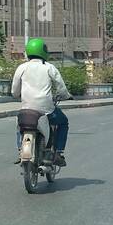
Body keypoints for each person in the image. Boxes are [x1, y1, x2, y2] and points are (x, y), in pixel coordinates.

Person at [11, 37, 72, 166]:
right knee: (63, 123)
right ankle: (58, 152)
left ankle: (20, 149)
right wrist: (66, 96)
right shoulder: (49, 67)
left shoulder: (21, 67)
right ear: (44, 51)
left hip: (27, 109)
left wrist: (18, 95)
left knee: (19, 125)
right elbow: (61, 87)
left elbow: (14, 92)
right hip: (46, 109)